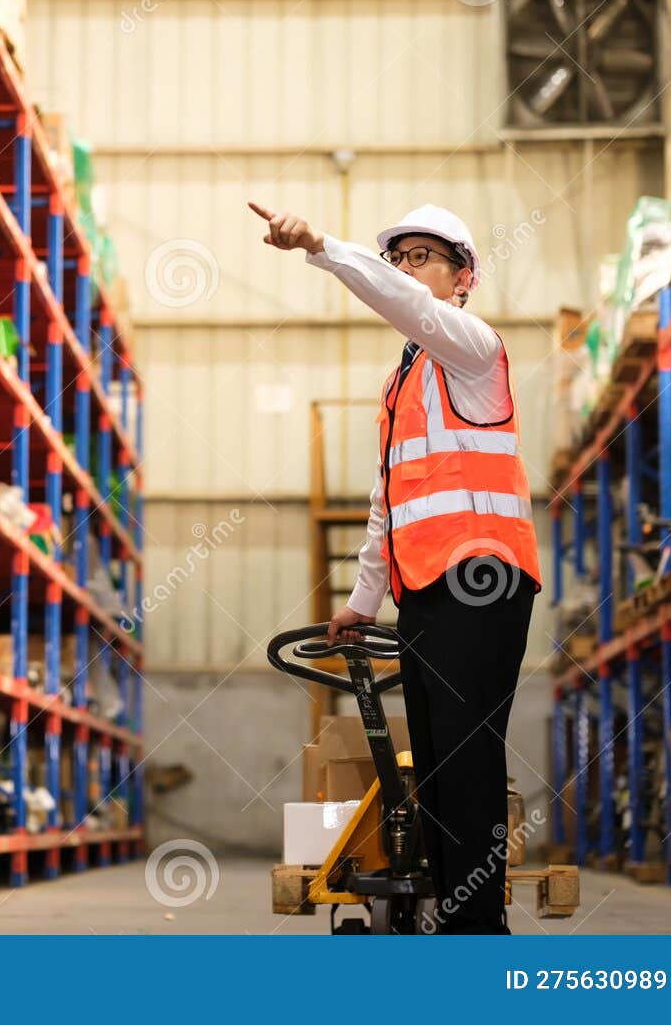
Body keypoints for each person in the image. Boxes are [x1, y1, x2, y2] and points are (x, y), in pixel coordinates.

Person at [249, 200, 540, 935]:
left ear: (462, 277)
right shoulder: (401, 383)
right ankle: (447, 914)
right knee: (437, 762)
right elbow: (389, 496)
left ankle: (479, 934)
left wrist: (321, 246)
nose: (406, 270)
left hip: (483, 576)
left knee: (469, 755)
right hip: (423, 590)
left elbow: (406, 306)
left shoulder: (474, 351)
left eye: (422, 257)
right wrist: (362, 599)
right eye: (399, 257)